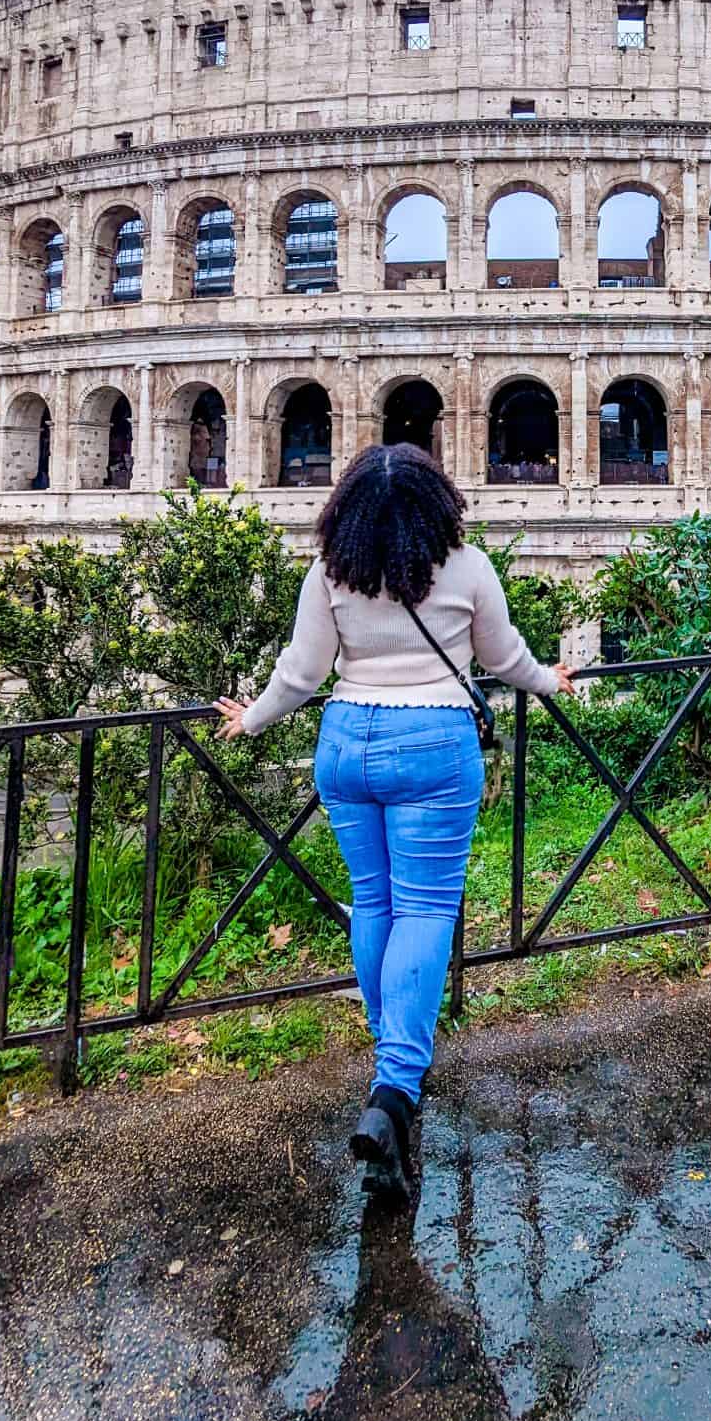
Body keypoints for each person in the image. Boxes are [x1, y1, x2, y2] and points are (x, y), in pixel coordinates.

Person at [216, 443, 572, 1203]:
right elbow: (505, 658)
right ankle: (393, 1092)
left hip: (345, 741)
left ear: (348, 506)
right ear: (435, 503)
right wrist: (551, 680)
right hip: (434, 748)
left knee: (372, 900)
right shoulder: (468, 567)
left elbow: (300, 674)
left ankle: (391, 1057)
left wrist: (251, 720)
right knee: (425, 907)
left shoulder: (330, 573)